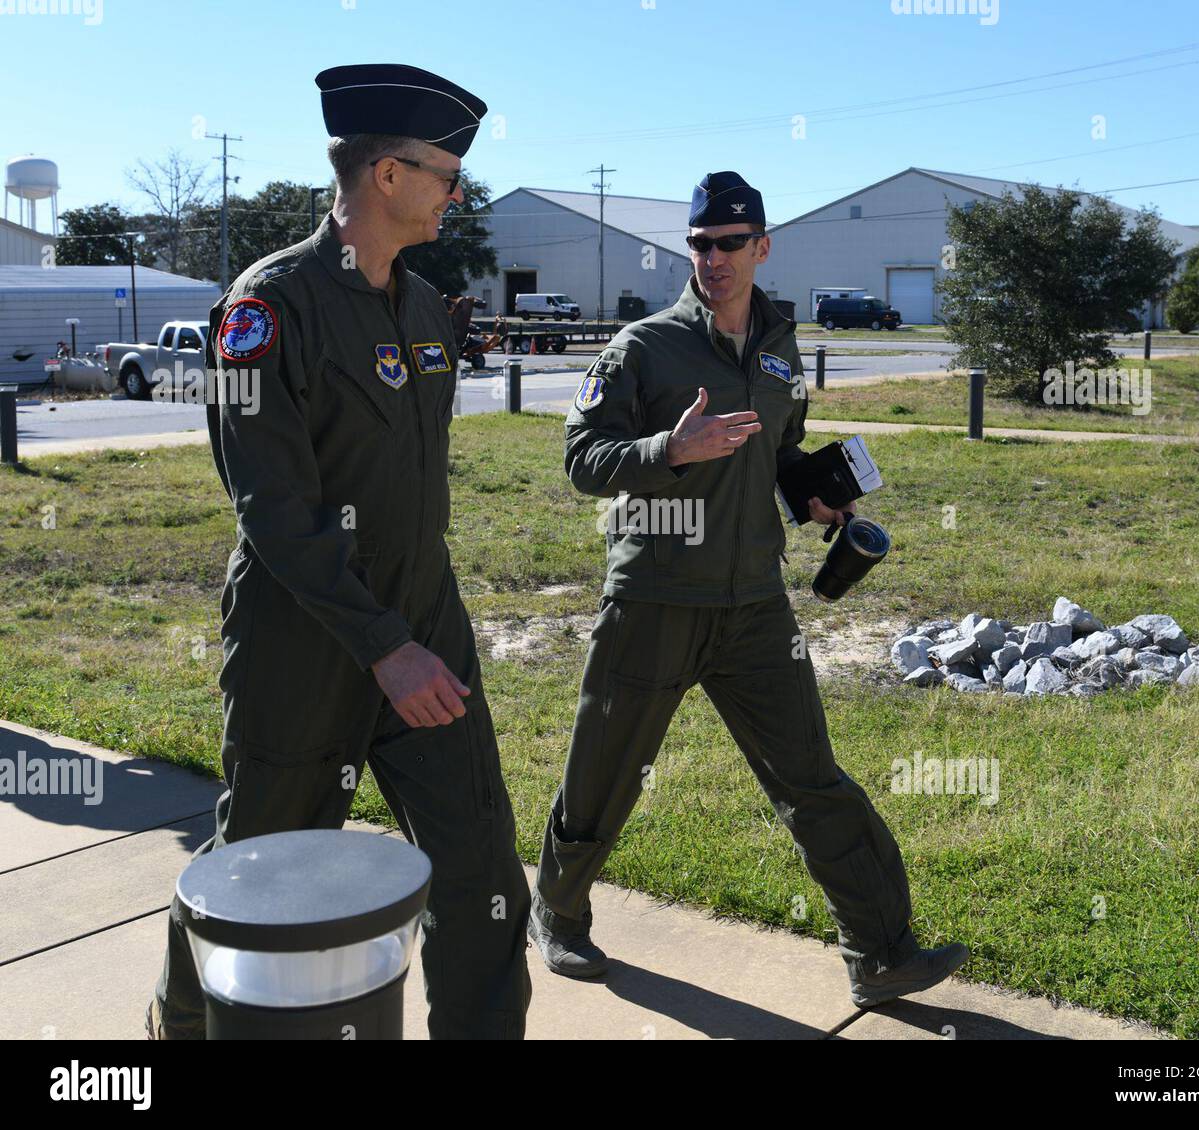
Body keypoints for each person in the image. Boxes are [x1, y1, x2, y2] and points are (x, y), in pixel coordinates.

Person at [148, 64, 531, 1040]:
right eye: (446, 174)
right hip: (304, 636)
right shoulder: (265, 307)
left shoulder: (419, 306)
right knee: (257, 871)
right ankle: (180, 1031)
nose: (457, 193)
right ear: (388, 176)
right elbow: (271, 509)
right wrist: (380, 644)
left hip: (422, 618)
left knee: (481, 864)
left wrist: (416, 633)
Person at [530, 171, 968, 1010]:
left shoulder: (777, 347)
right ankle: (555, 912)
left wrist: (810, 488)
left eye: (732, 244)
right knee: (605, 774)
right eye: (701, 244)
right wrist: (669, 450)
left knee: (811, 776)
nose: (715, 258)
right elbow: (582, 460)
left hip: (754, 604)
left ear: (762, 248)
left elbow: (779, 447)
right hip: (654, 594)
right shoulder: (645, 348)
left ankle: (879, 953)